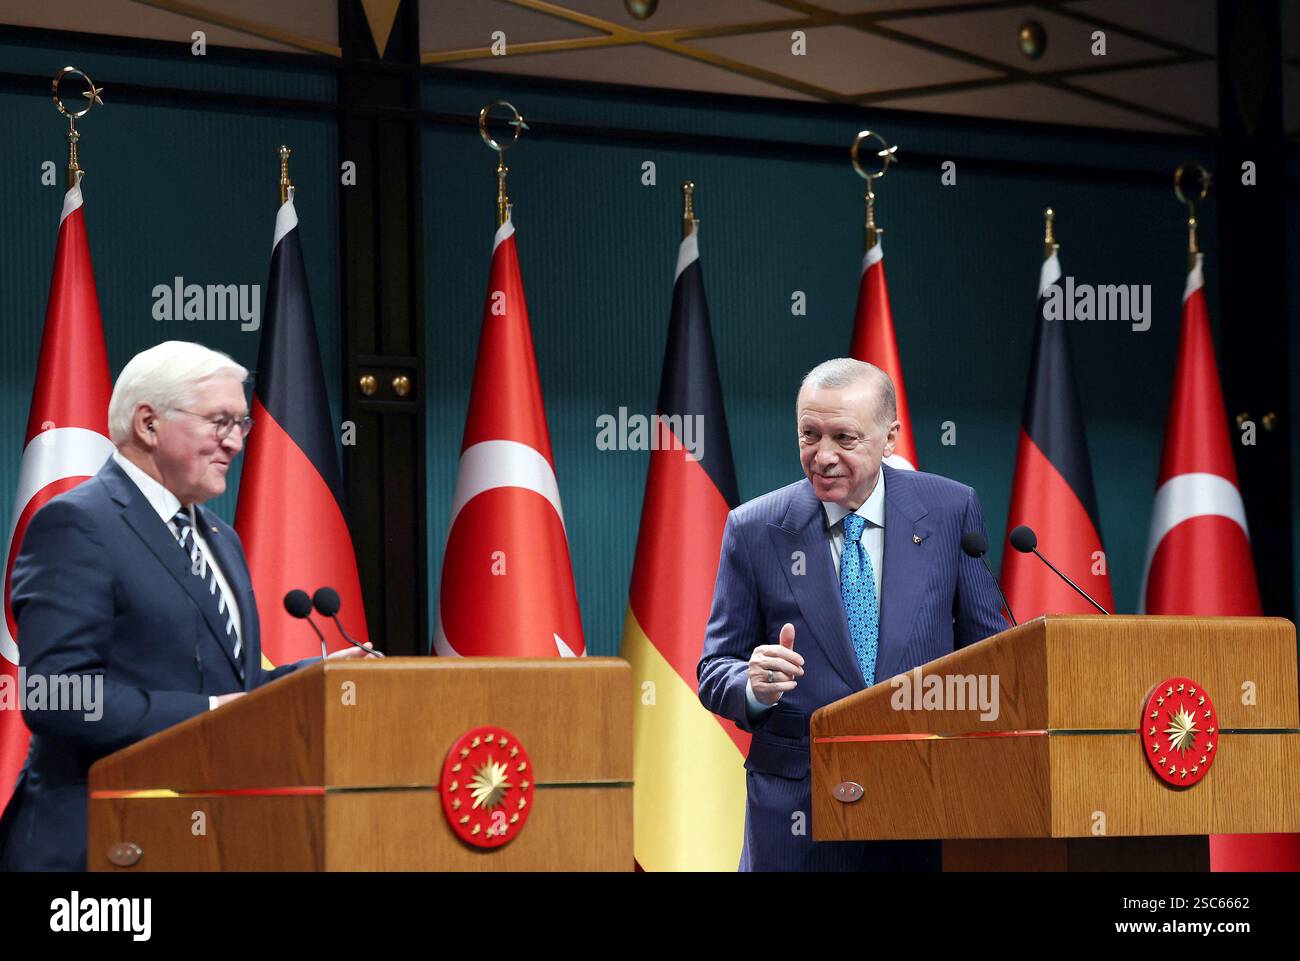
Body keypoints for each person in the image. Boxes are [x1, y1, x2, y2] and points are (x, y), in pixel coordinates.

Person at [0, 341, 374, 871]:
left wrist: (313, 679)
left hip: (204, 841)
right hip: (97, 845)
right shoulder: (79, 524)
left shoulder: (220, 538)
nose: (235, 443)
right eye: (220, 421)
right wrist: (210, 715)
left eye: (241, 424)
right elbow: (58, 694)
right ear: (148, 424)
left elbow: (228, 693)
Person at [697, 358, 1006, 871]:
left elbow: (993, 655)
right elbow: (714, 669)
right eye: (809, 435)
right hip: (798, 815)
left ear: (890, 439)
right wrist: (753, 685)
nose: (822, 456)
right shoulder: (755, 529)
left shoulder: (951, 511)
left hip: (921, 804)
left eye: (844, 438)